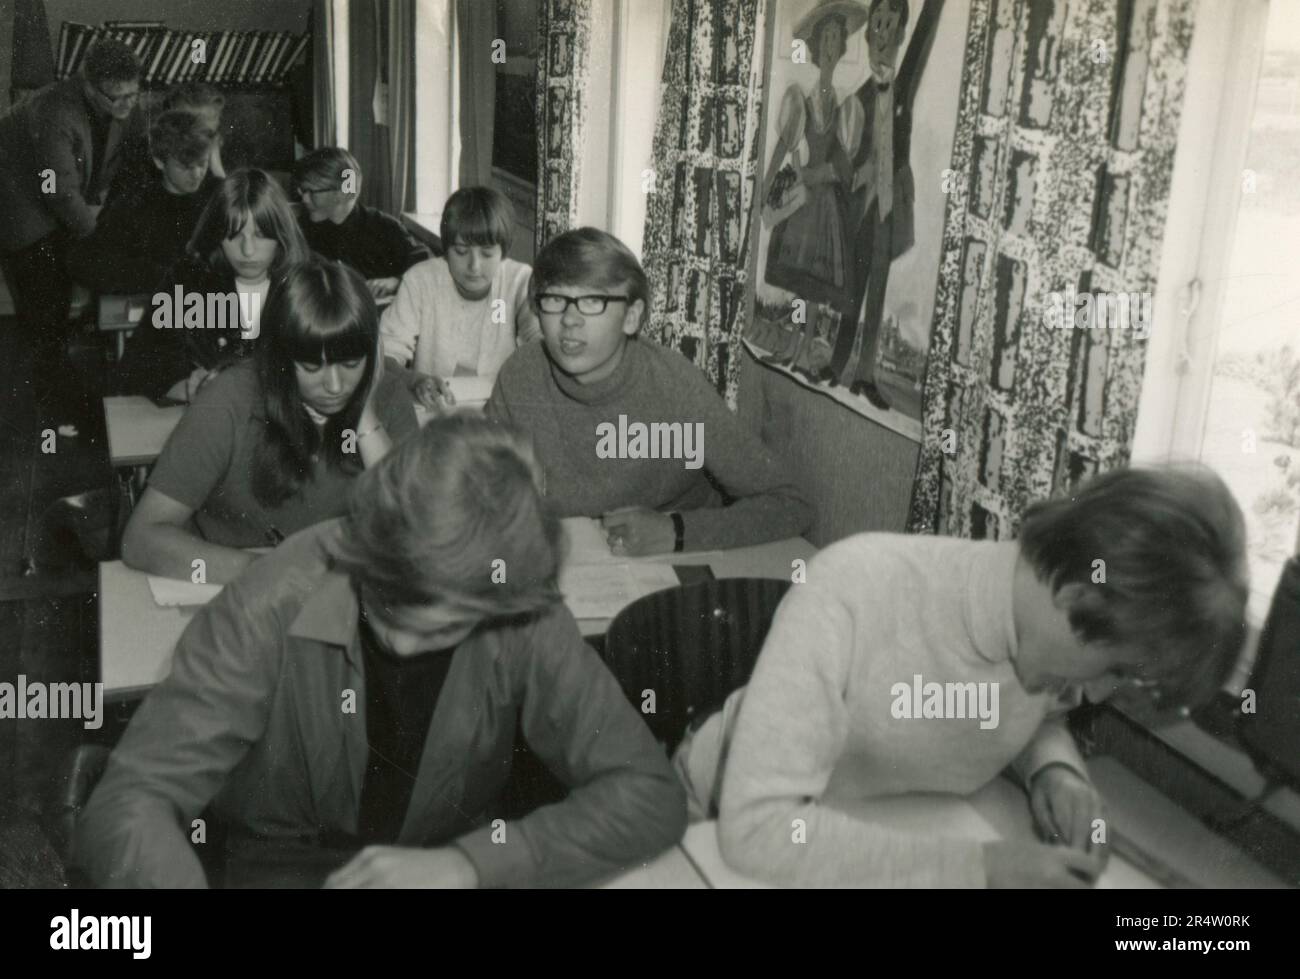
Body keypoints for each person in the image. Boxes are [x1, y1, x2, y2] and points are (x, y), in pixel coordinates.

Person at [75, 414, 687, 888]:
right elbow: (131, 800)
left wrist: (471, 866)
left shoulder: (521, 605)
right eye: (388, 603)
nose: (402, 641)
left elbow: (649, 793)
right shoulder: (265, 603)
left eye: (441, 627)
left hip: (447, 857)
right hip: (289, 865)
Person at [674, 465, 1249, 887]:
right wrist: (979, 870)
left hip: (875, 828)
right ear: (1076, 598)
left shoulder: (1047, 634)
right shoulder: (851, 588)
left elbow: (1023, 709)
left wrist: (1054, 769)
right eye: (1116, 670)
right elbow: (757, 831)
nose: (1095, 694)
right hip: (715, 831)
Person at [486, 227, 812, 556]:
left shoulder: (675, 385)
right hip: (562, 564)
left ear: (631, 317)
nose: (570, 320)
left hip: (667, 565)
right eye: (555, 299)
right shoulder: (519, 375)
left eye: (592, 301)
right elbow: (478, 487)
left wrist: (676, 532)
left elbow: (790, 503)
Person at [120, 258, 417, 585]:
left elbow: (416, 534)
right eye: (311, 366)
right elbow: (140, 540)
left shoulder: (387, 394)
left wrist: (366, 419)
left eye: (350, 362)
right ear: (281, 356)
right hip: (235, 587)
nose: (335, 385)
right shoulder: (229, 398)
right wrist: (268, 573)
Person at [0, 38, 144, 413]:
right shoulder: (54, 112)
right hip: (20, 208)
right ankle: (57, 404)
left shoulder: (118, 102)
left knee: (69, 288)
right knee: (45, 304)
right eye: (118, 98)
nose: (128, 106)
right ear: (87, 84)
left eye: (133, 94)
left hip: (52, 198)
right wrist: (101, 241)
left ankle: (77, 369)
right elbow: (59, 191)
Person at [116, 167, 310, 401]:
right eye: (233, 235)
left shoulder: (311, 282)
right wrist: (187, 386)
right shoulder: (187, 281)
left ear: (282, 234)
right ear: (217, 235)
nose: (247, 251)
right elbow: (135, 367)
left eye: (260, 235)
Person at [759, 0, 868, 382]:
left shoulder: (846, 107)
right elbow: (783, 144)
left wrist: (817, 173)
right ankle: (794, 345)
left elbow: (844, 166)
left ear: (840, 50)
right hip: (802, 206)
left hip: (824, 207)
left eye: (837, 39)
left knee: (815, 286)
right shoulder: (801, 97)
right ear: (817, 45)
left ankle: (806, 349)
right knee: (799, 281)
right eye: (825, 38)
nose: (830, 45)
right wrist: (768, 182)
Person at [381, 186, 539, 403]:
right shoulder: (420, 280)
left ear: (503, 250)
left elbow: (541, 343)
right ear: (446, 249)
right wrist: (413, 379)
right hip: (436, 407)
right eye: (461, 251)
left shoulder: (520, 280)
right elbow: (385, 353)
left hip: (500, 407)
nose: (474, 266)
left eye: (487, 253)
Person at [69, 110, 219, 295]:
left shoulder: (220, 197)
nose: (196, 175)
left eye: (202, 164)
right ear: (159, 161)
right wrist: (162, 277)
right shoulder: (133, 203)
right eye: (185, 167)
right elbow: (89, 264)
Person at [293, 146, 431, 301]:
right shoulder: (300, 230)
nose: (304, 199)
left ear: (342, 193)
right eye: (302, 191)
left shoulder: (384, 227)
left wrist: (398, 281)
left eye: (311, 192)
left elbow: (424, 262)